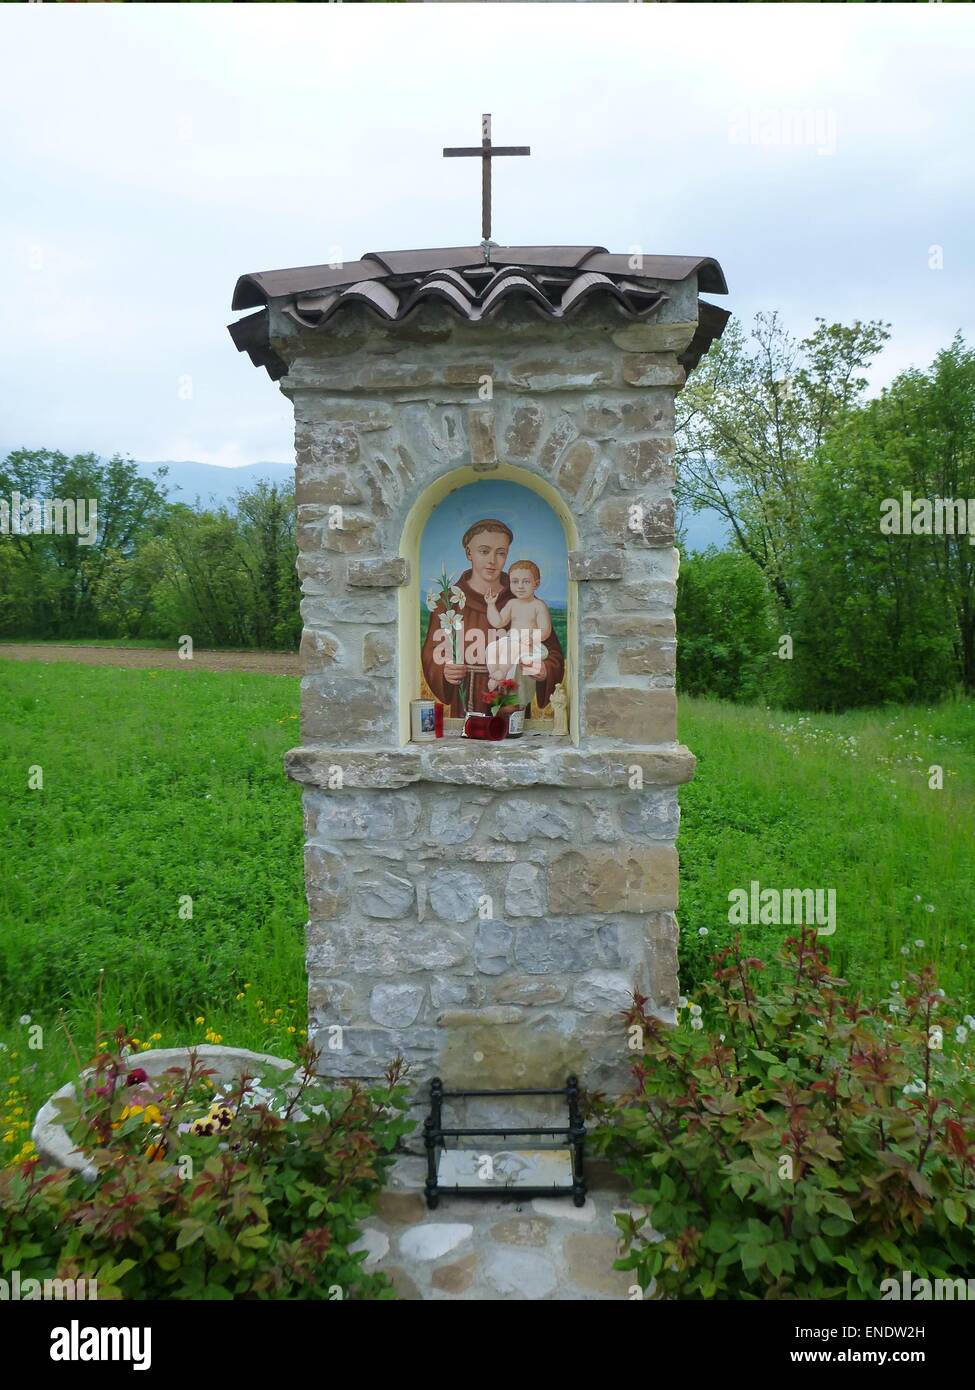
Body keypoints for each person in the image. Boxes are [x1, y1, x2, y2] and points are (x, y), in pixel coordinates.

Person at [420, 519, 564, 719]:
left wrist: (544, 670)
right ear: (469, 553)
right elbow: (431, 653)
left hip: (511, 695)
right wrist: (444, 671)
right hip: (466, 702)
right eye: (484, 551)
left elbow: (553, 653)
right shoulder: (449, 602)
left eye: (500, 553)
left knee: (511, 737)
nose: (492, 560)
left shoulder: (523, 601)